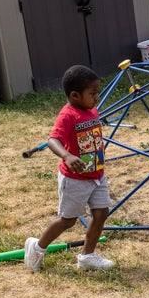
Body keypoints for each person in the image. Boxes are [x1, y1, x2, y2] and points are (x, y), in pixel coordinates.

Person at [24, 65, 114, 272]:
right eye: (92, 93)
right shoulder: (68, 115)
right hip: (75, 179)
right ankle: (37, 248)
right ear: (74, 95)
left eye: (97, 92)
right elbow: (53, 139)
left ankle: (87, 256)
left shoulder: (91, 109)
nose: (97, 97)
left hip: (97, 175)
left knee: (101, 213)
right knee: (68, 220)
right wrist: (67, 155)